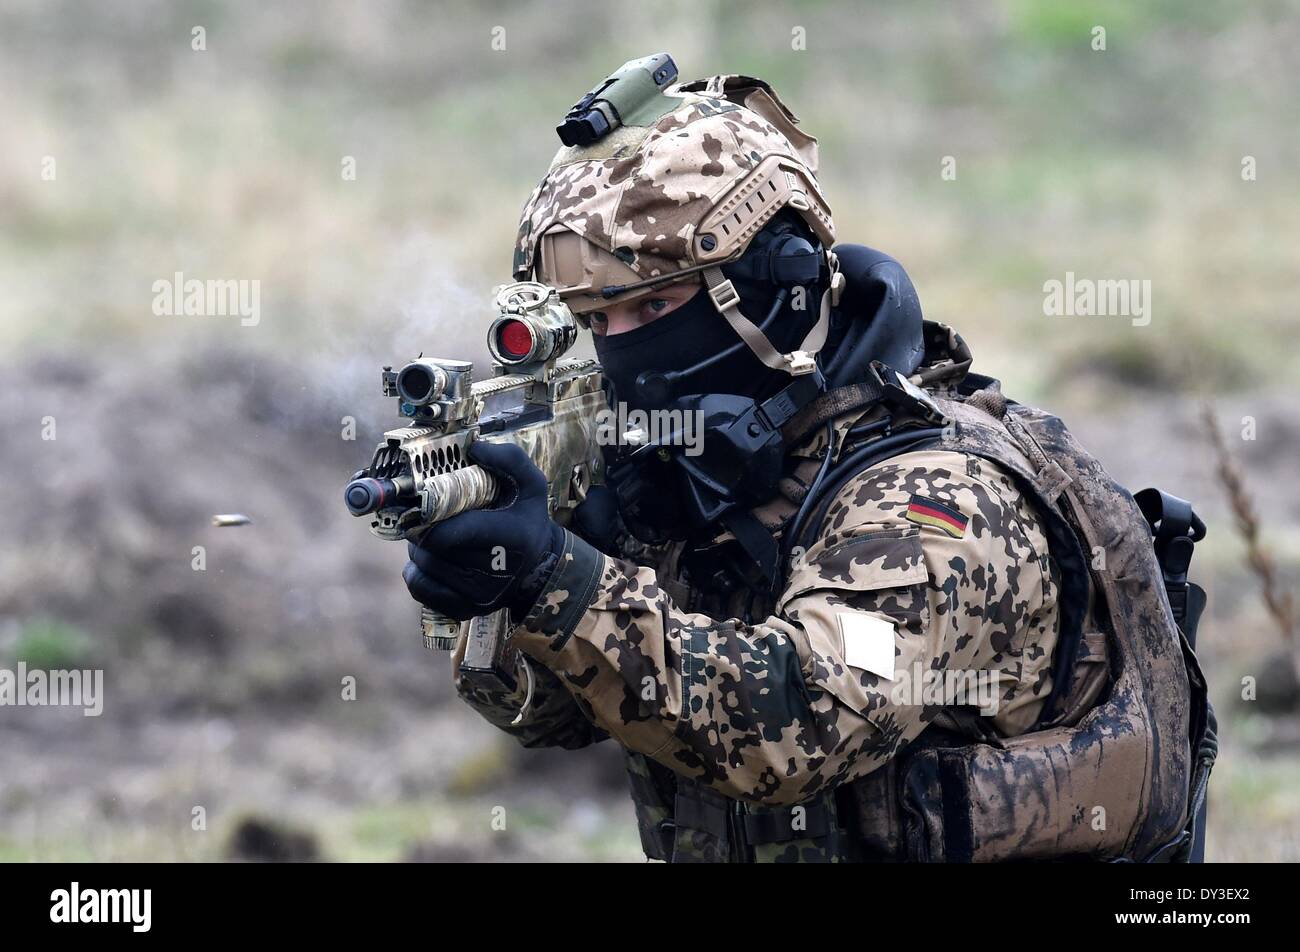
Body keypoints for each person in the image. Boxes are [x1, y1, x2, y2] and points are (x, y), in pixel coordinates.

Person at [401, 57, 1213, 862]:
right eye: (597, 321)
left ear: (776, 284)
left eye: (654, 305)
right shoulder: (700, 467)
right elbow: (563, 717)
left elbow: (797, 725)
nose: (624, 352)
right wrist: (499, 599)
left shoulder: (936, 498)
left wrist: (562, 582)